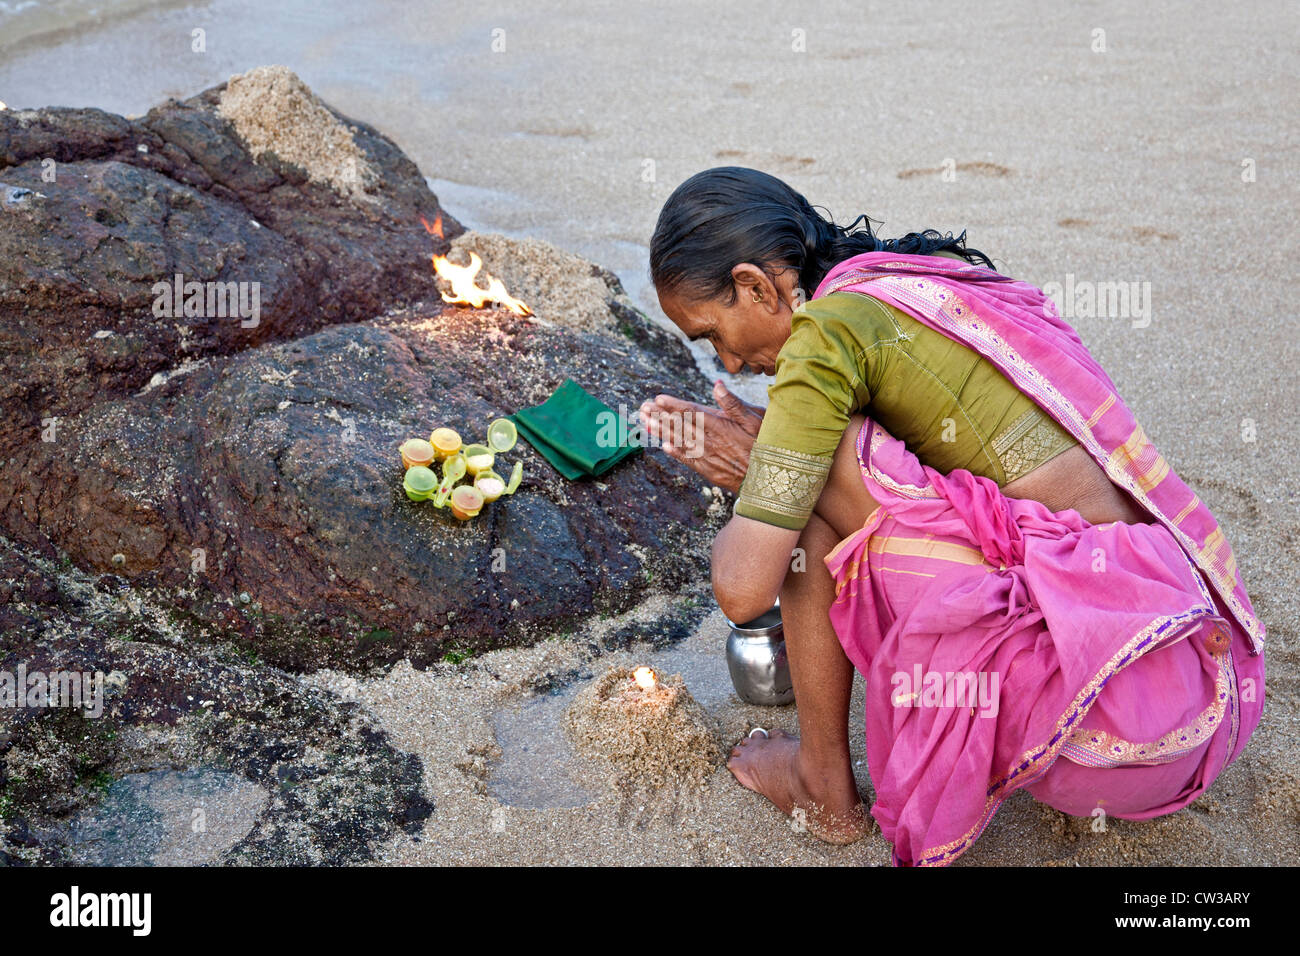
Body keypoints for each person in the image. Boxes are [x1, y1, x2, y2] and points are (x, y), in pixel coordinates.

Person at [639, 166, 1266, 865]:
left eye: (712, 334)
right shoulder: (909, 288)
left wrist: (759, 475)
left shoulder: (822, 343)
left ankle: (822, 788)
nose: (729, 361)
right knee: (817, 469)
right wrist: (780, 449)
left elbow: (743, 589)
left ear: (756, 285)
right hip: (1197, 690)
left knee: (807, 494)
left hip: (1101, 723)